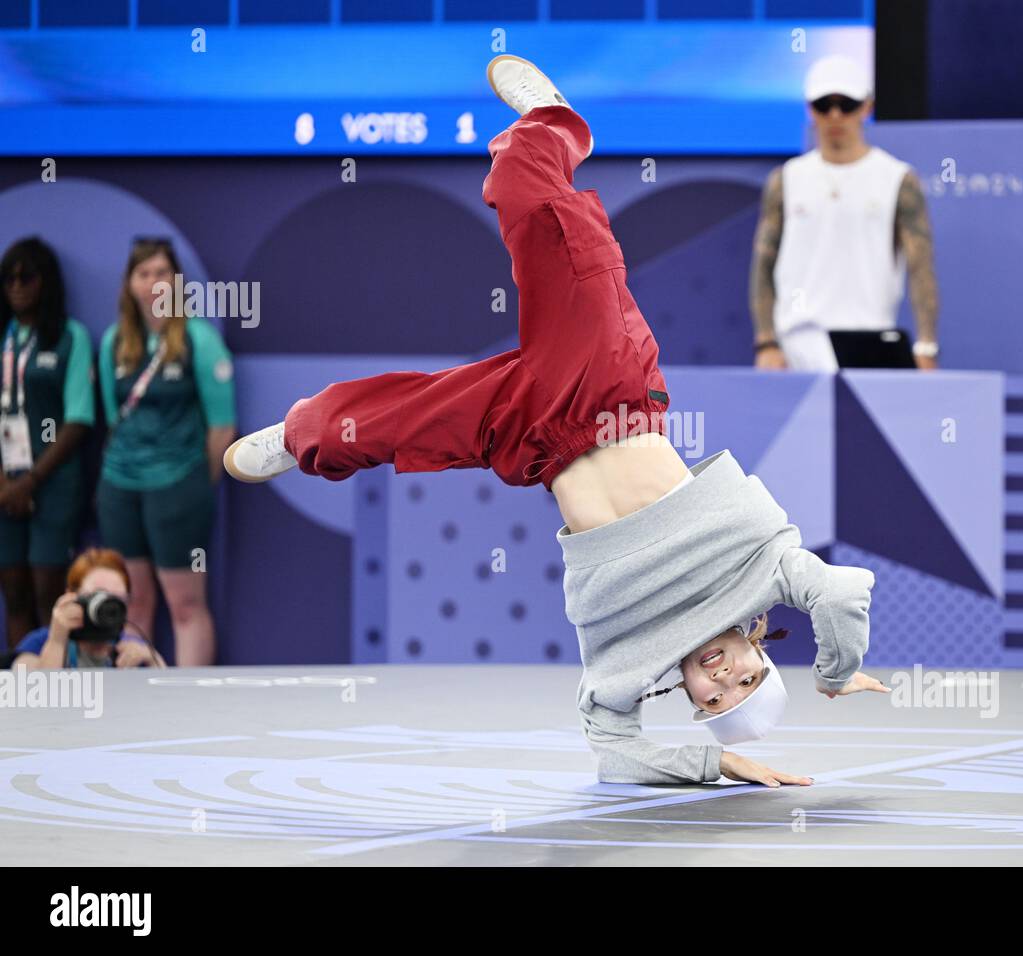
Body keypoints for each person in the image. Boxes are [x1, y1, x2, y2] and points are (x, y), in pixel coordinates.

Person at [224, 55, 886, 788]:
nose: (723, 679)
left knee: (399, 423)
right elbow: (843, 593)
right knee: (532, 201)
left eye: (715, 702)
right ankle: (554, 125)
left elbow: (614, 748)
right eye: (748, 679)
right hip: (608, 389)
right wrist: (835, 671)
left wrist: (714, 760)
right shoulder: (768, 573)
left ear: (691, 703)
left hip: (536, 442)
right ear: (764, 650)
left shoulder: (625, 664)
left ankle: (300, 435)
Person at [750, 53, 940, 372]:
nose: (835, 116)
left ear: (867, 106)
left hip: (872, 342)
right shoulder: (785, 179)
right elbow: (764, 264)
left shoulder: (897, 178)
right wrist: (767, 342)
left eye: (847, 105)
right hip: (797, 345)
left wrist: (926, 344)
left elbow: (920, 266)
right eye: (825, 105)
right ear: (811, 110)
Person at [95, 238, 236, 665]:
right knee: (133, 604)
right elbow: (110, 415)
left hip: (179, 488)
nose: (153, 283)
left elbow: (222, 427)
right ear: (129, 285)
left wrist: (190, 483)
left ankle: (193, 711)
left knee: (186, 606)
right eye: (143, 274)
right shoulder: (114, 342)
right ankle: (138, 708)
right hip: (119, 487)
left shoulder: (200, 339)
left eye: (161, 273)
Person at [0, 237, 95, 648]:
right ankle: (22, 690)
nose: (17, 286)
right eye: (9, 278)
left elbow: (79, 419)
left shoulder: (69, 336)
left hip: (52, 479)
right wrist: (5, 482)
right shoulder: (3, 337)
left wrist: (31, 480)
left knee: (48, 590)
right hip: (4, 480)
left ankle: (59, 683)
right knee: (14, 590)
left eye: (27, 277)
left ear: (47, 282)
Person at [10, 547, 164, 669]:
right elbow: (37, 695)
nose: (107, 606)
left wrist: (152, 659)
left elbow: (168, 700)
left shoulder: (130, 647)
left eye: (117, 599)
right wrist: (57, 641)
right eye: (98, 596)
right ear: (71, 596)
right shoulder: (41, 642)